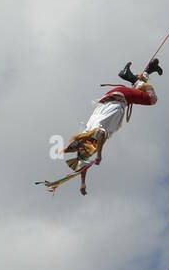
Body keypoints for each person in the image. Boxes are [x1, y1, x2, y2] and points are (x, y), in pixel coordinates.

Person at [56, 59, 162, 195]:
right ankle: (149, 70)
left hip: (121, 97)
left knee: (151, 98)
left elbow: (100, 136)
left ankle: (129, 76)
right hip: (116, 96)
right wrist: (83, 183)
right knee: (138, 89)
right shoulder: (87, 131)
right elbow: (82, 164)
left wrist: (99, 154)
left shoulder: (95, 133)